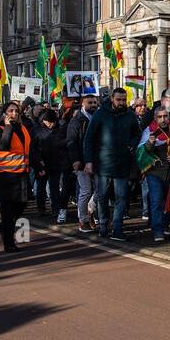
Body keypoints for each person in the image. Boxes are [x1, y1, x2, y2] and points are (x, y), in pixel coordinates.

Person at [84, 87, 143, 241]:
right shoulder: (100, 114)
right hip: (103, 164)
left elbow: (138, 133)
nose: (122, 102)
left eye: (124, 100)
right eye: (119, 100)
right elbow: (89, 138)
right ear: (112, 99)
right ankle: (103, 225)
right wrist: (88, 161)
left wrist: (133, 143)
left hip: (122, 163)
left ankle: (117, 228)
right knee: (102, 196)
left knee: (121, 197)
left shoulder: (130, 115)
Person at [0, 102, 32, 253]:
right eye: (10, 111)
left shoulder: (23, 128)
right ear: (4, 113)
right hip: (4, 176)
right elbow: (3, 145)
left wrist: (38, 165)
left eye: (16, 111)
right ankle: (9, 242)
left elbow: (29, 148)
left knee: (21, 206)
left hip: (21, 174)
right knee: (8, 211)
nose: (14, 113)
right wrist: (7, 127)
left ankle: (3, 225)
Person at [140, 106, 170, 242]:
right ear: (155, 118)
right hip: (154, 172)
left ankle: (165, 224)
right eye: (160, 117)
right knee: (156, 201)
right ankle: (158, 230)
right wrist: (149, 143)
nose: (163, 119)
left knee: (169, 201)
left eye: (165, 116)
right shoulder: (149, 131)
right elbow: (141, 153)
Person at [65, 93, 98, 232]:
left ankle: (90, 209)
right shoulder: (77, 120)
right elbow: (71, 142)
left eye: (95, 102)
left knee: (101, 189)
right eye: (90, 103)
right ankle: (83, 219)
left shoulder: (98, 118)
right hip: (82, 161)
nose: (93, 105)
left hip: (98, 160)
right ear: (83, 104)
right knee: (85, 190)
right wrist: (76, 160)